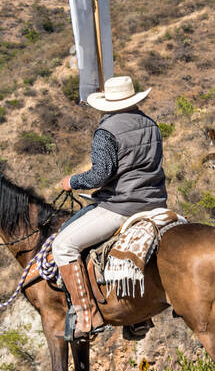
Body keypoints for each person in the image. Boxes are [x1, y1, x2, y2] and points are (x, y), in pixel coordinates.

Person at [53, 76, 168, 340]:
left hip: (121, 206)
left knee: (64, 246)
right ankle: (140, 316)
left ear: (106, 103)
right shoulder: (151, 124)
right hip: (156, 204)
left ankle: (86, 316)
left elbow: (100, 175)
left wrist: (72, 181)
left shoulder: (107, 131)